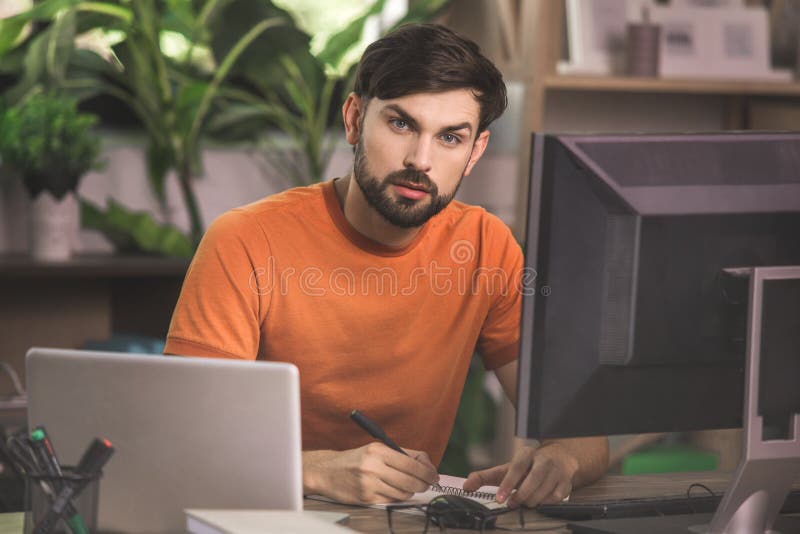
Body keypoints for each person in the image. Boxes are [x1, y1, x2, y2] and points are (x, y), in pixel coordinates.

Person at [165, 23, 608, 507]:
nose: (421, 160)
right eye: (401, 124)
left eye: (450, 138)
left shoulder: (486, 246)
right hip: (262, 515)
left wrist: (560, 460)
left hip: (399, 521)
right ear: (355, 119)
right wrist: (312, 469)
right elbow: (182, 438)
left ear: (475, 151)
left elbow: (583, 433)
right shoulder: (246, 240)